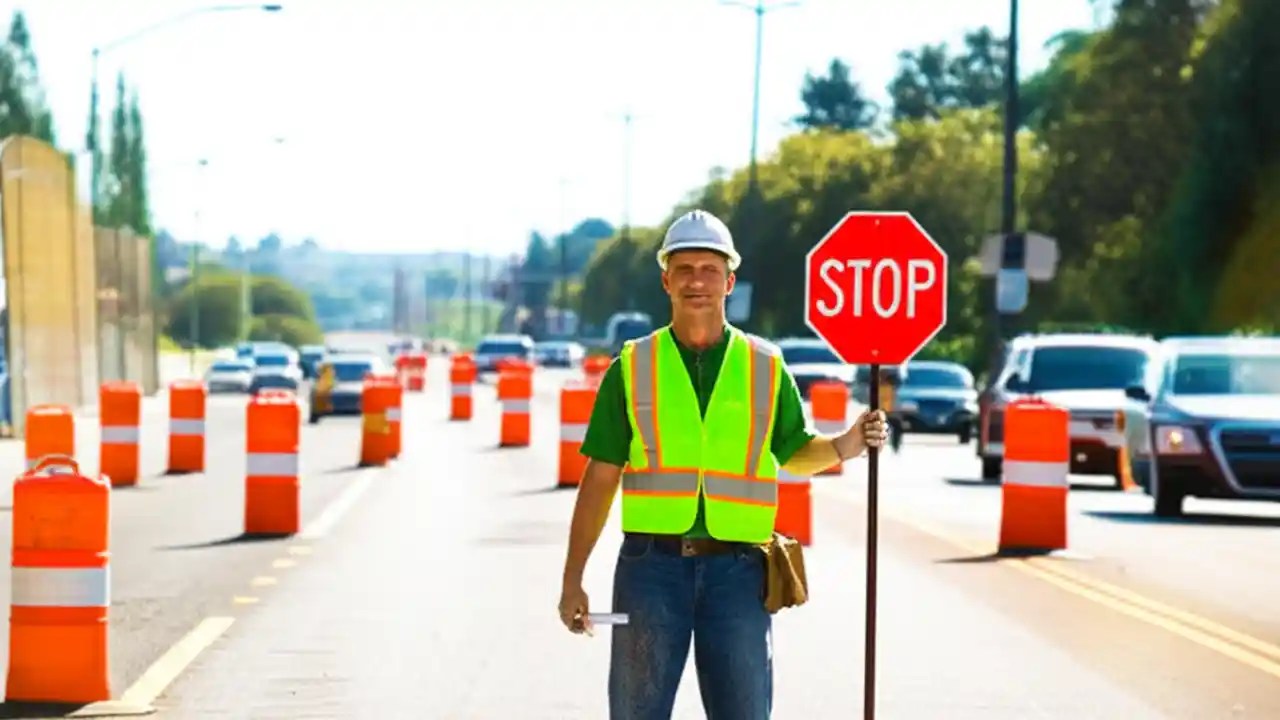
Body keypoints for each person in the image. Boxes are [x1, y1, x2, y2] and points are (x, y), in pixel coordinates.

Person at [556, 209, 889, 720]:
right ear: (665, 279)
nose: (696, 281)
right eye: (684, 268)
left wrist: (846, 443)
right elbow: (600, 478)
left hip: (739, 573)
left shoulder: (764, 364)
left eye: (709, 269)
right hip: (650, 571)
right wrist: (573, 577)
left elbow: (794, 451)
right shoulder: (632, 366)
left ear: (729, 280)